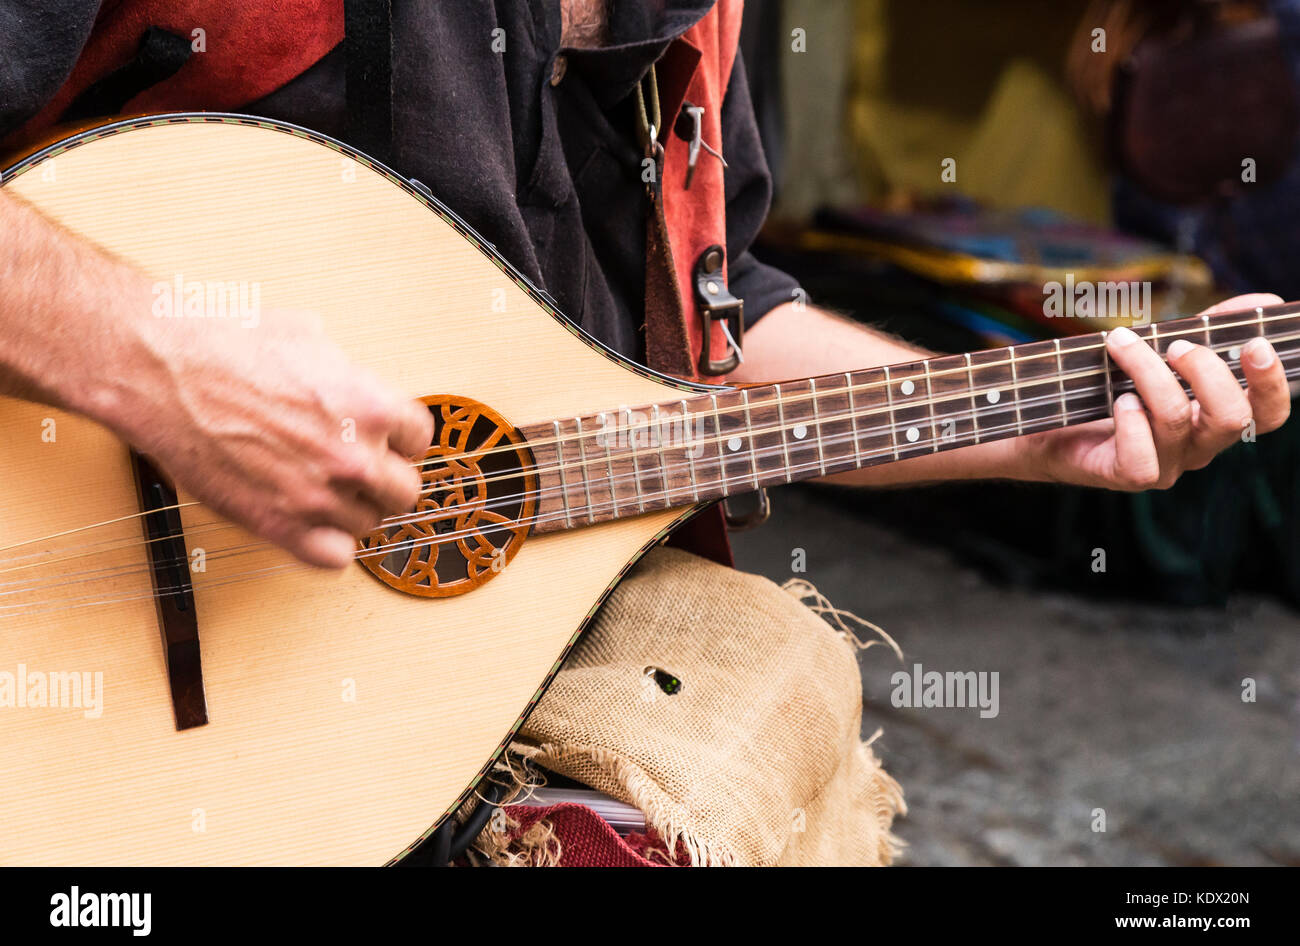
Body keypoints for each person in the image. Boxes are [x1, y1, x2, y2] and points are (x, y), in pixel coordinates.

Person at [0, 0, 1289, 572]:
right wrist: (153, 356)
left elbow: (720, 336)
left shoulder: (702, 15)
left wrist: (1031, 424)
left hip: (428, 687)